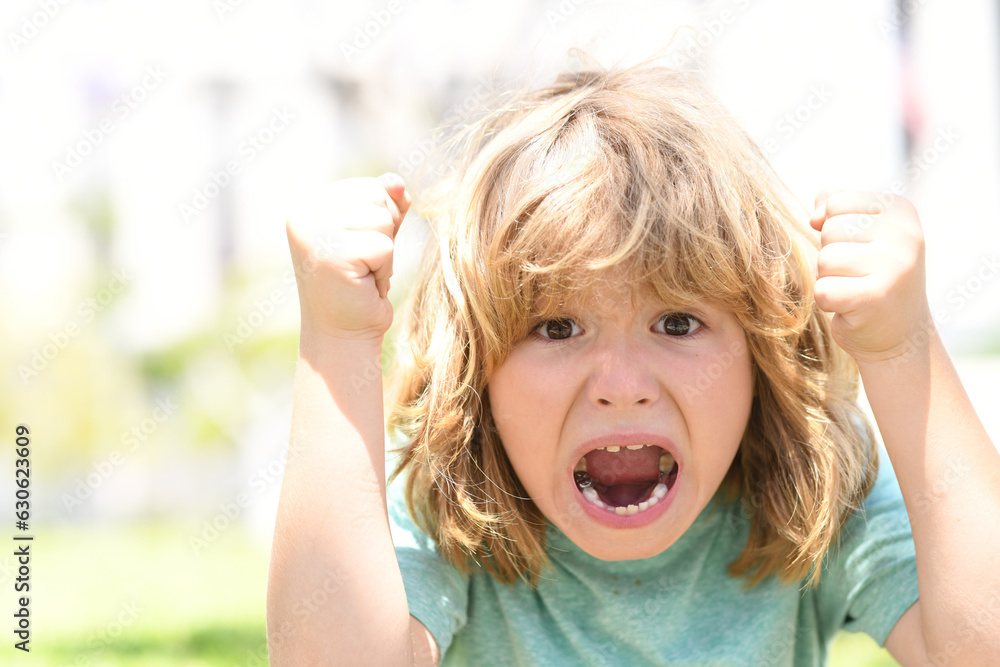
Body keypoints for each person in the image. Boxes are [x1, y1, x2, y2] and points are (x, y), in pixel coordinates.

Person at [267, 62, 1000, 665]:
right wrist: (337, 342)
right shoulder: (450, 508)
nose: (622, 388)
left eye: (677, 322)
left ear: (762, 354)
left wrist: (903, 350)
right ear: (477, 374)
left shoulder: (815, 486)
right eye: (556, 326)